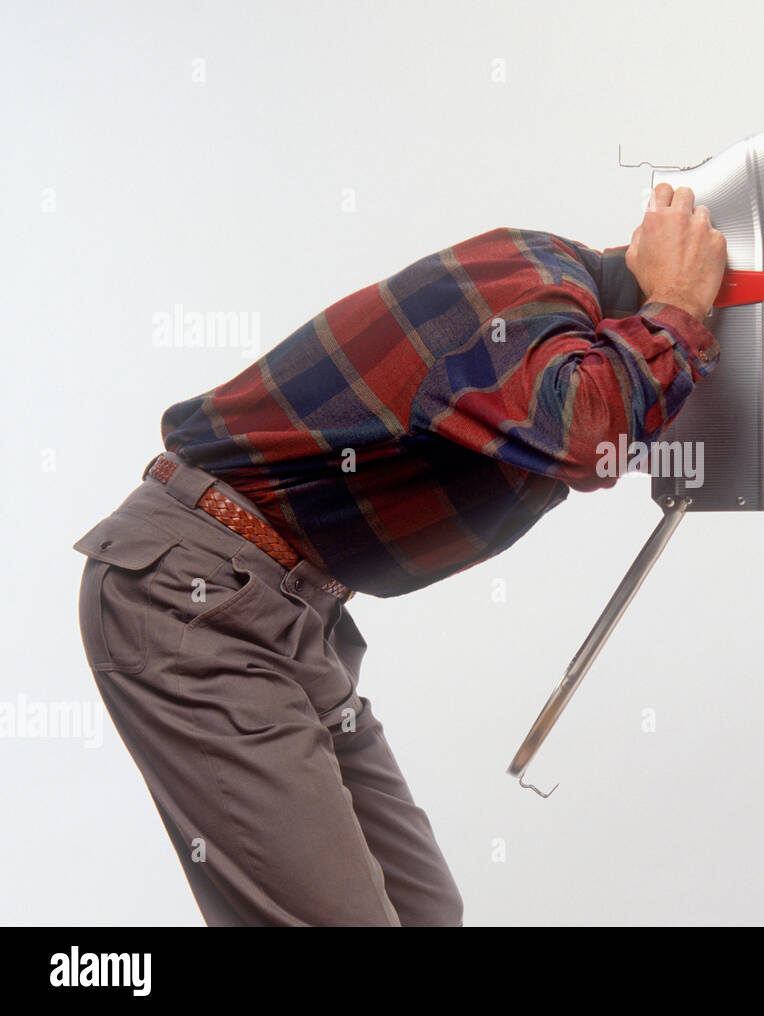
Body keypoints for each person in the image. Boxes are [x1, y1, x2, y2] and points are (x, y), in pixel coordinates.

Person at [72, 182, 727, 926]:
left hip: (289, 606)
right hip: (194, 589)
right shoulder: (533, 284)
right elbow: (585, 431)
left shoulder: (564, 327)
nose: (688, 360)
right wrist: (679, 306)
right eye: (693, 337)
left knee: (424, 912)